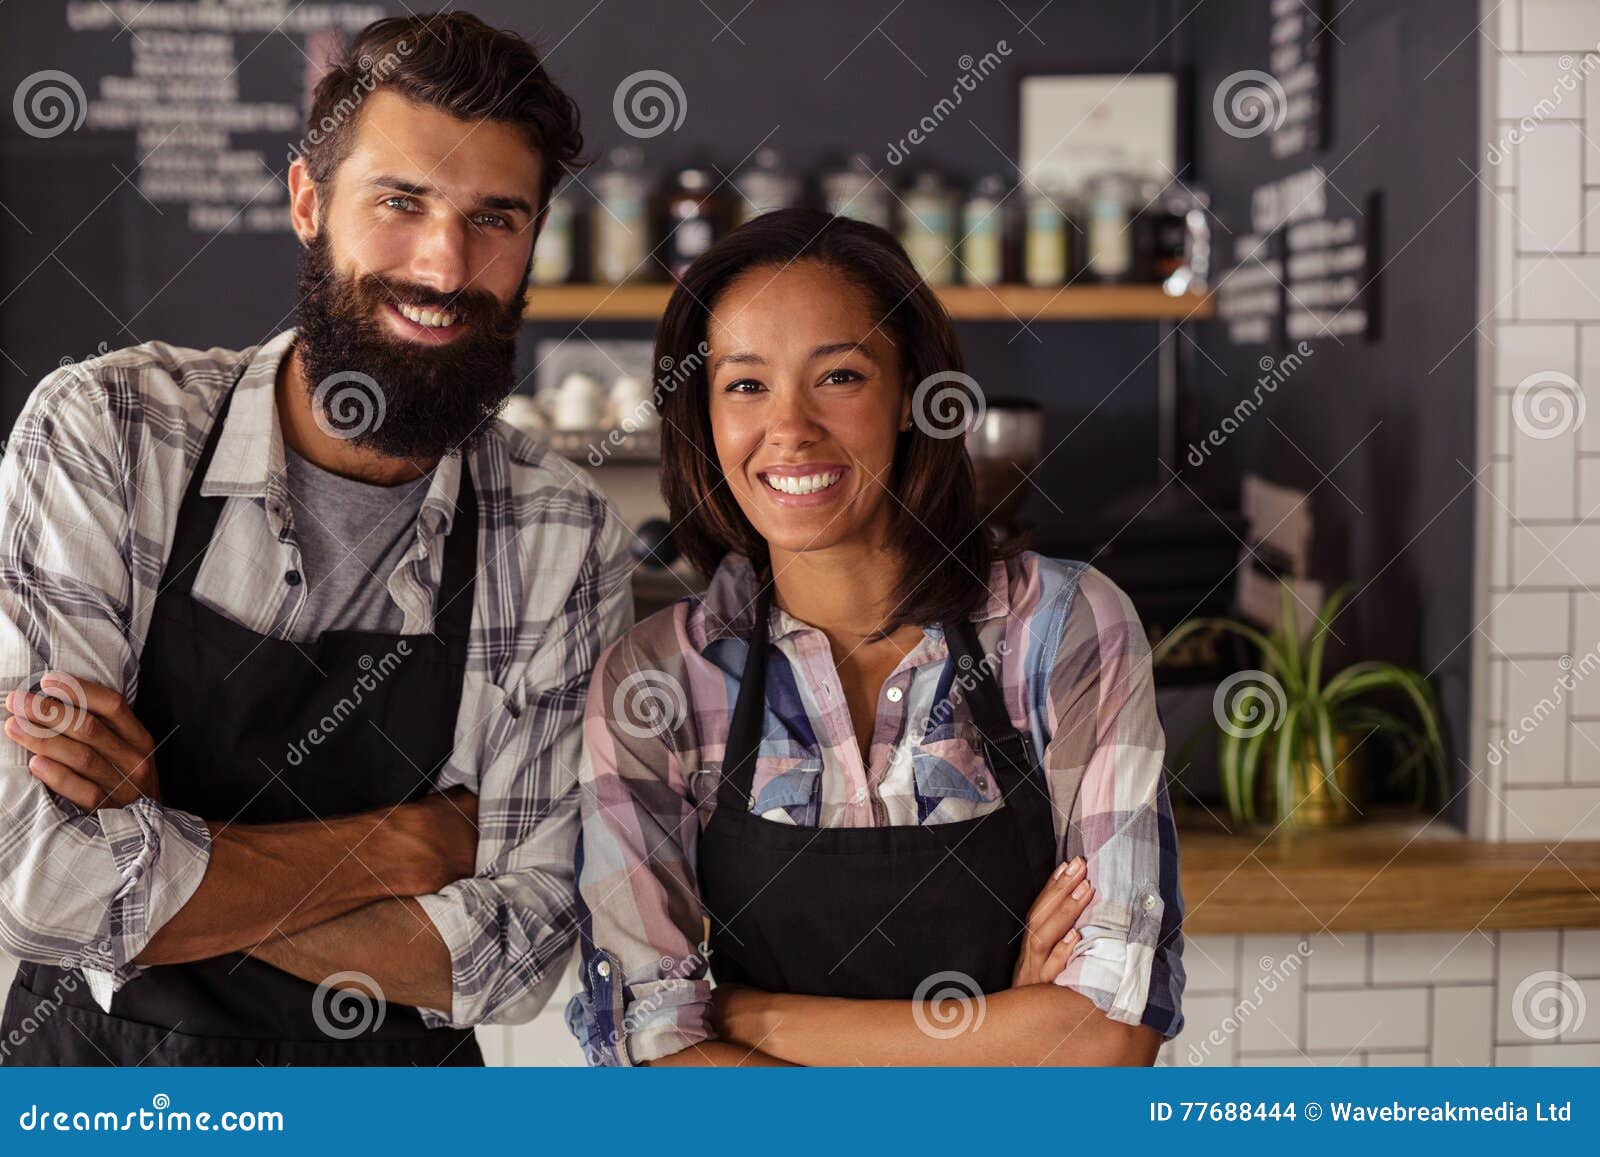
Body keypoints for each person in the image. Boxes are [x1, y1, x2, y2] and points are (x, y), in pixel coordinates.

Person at [0, 12, 631, 1066]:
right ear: (308, 201)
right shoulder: (109, 432)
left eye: (495, 219)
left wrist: (164, 841)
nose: (444, 263)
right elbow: (38, 882)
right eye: (401, 201)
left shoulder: (561, 531)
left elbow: (515, 957)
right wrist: (394, 849)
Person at [567, 208, 1186, 1067]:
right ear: (702, 419)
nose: (789, 428)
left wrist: (762, 1019)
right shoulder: (657, 681)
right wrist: (1009, 1030)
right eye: (745, 384)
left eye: (840, 377)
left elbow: (1108, 1040)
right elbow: (654, 1054)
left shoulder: (1065, 629)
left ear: (910, 396)